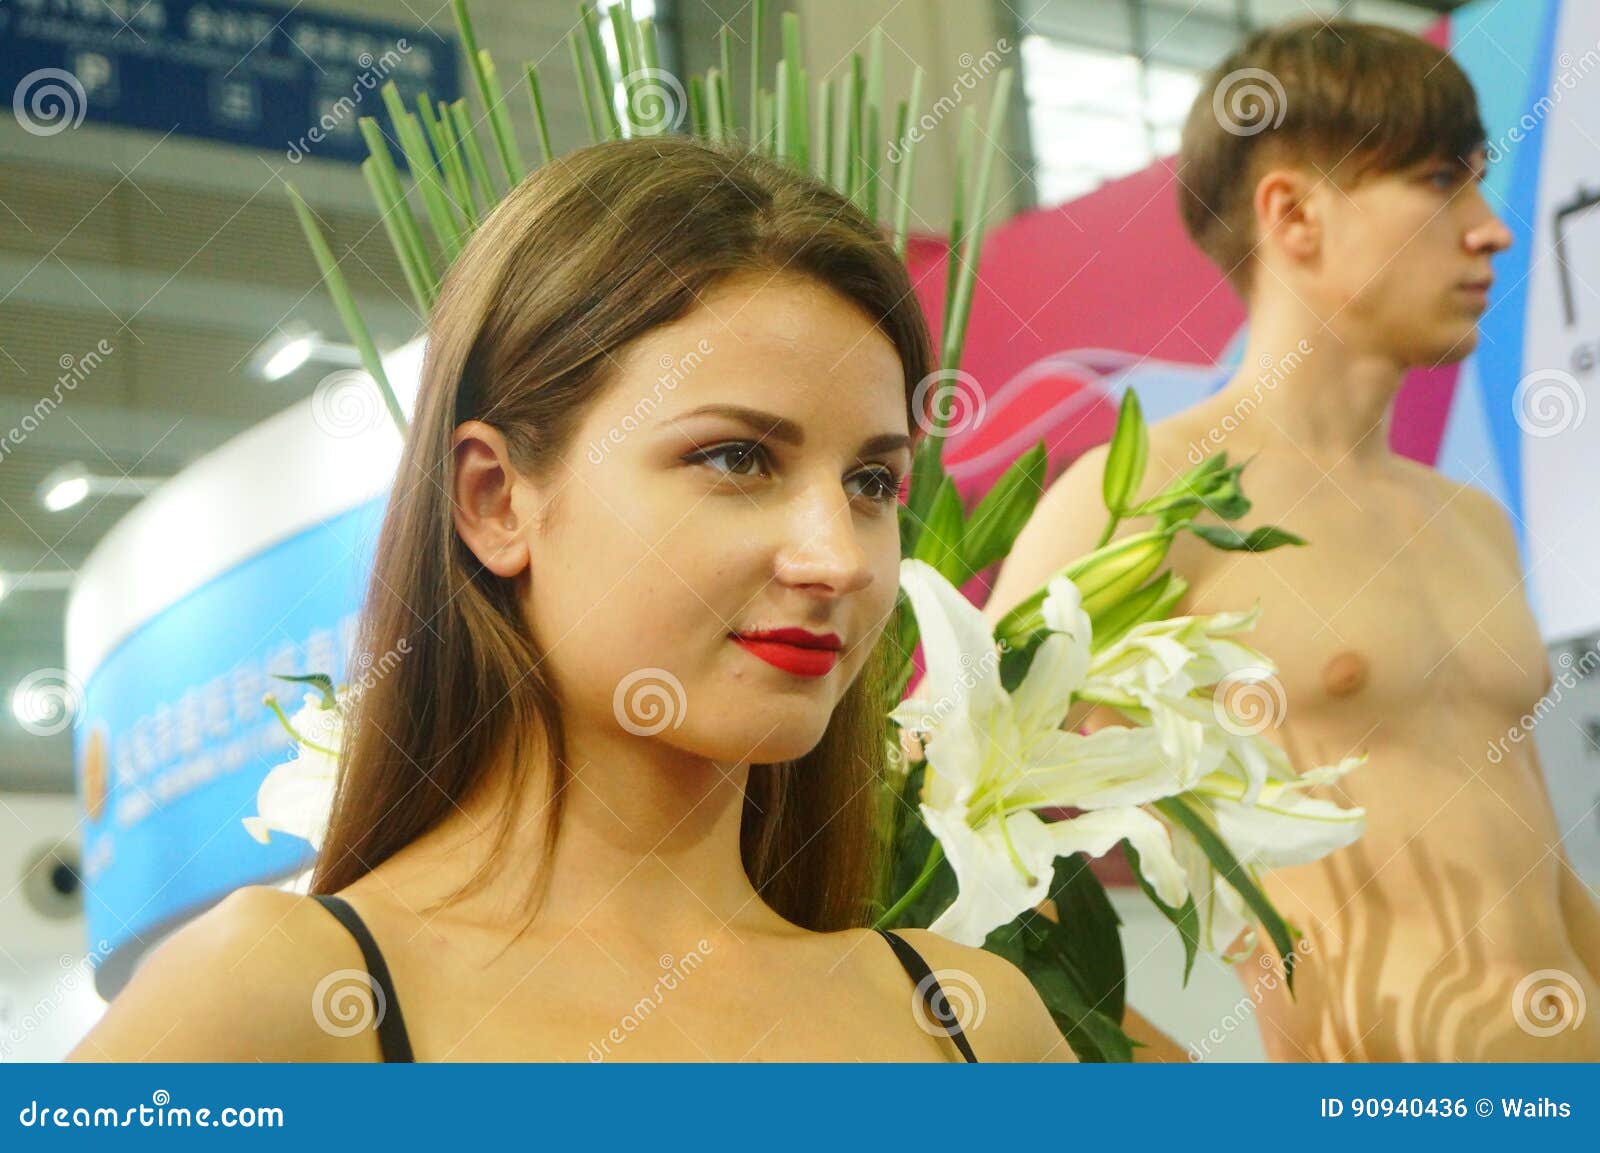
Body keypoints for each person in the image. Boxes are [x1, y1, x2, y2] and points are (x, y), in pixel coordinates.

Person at [69, 137, 1071, 1063]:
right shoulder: (280, 996)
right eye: (735, 458)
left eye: (872, 484)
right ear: (493, 499)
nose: (837, 558)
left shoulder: (970, 1021)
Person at [986, 21, 1600, 1060]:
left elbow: (1537, 871)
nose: (1490, 230)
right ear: (1294, 212)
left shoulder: (1471, 523)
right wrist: (1153, 1072)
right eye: (1442, 181)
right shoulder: (1146, 499)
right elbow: (949, 832)